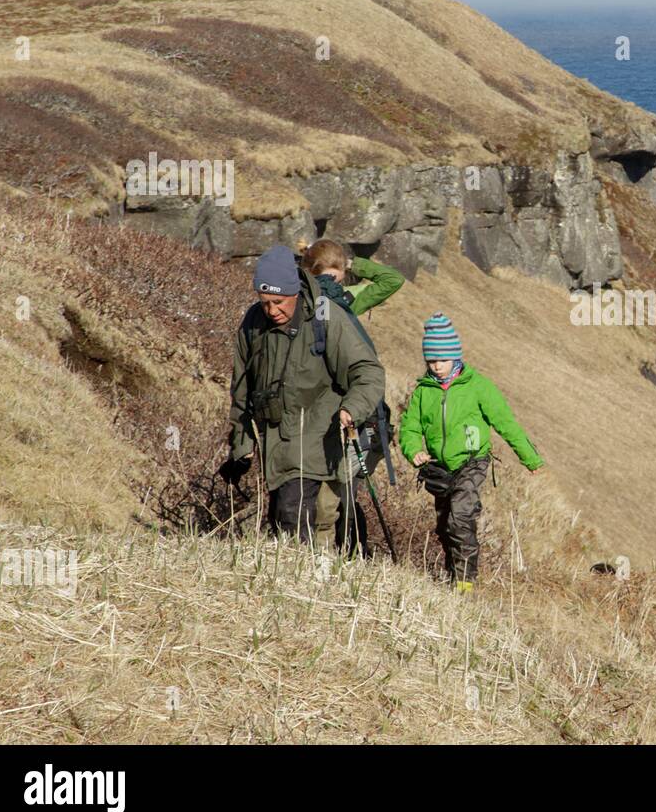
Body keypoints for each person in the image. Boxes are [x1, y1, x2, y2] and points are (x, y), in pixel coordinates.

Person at [220, 245, 385, 550]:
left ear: (295, 291)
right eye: (265, 301)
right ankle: (304, 579)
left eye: (278, 302)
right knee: (281, 517)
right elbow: (242, 390)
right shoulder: (253, 322)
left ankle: (302, 578)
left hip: (316, 436)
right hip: (274, 442)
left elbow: (369, 372)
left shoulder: (326, 318)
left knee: (292, 514)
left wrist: (352, 408)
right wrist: (241, 448)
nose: (272, 310)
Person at [399, 313, 545, 592]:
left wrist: (530, 458)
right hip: (438, 466)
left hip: (471, 462)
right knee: (444, 526)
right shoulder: (423, 390)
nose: (437, 366)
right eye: (431, 361)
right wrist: (413, 450)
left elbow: (506, 423)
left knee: (460, 517)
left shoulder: (479, 386)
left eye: (442, 360)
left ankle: (466, 582)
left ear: (455, 357)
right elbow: (410, 427)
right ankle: (452, 576)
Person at [300, 239, 405, 557]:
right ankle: (340, 555)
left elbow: (392, 281)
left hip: (321, 405)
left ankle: (320, 552)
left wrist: (320, 264)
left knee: (325, 489)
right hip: (349, 406)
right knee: (340, 487)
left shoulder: (306, 299)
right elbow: (391, 280)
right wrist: (351, 264)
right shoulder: (347, 300)